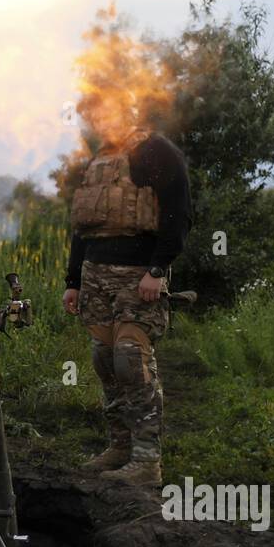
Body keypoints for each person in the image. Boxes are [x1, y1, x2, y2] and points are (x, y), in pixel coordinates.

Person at [62, 95, 191, 486]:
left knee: (131, 360)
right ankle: (119, 446)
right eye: (94, 116)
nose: (101, 121)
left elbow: (178, 213)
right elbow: (84, 226)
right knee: (104, 361)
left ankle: (147, 460)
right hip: (96, 274)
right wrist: (73, 281)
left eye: (107, 111)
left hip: (139, 275)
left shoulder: (155, 151)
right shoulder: (99, 159)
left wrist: (157, 269)